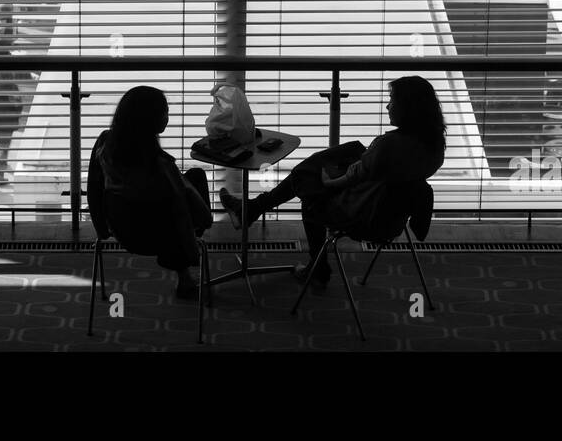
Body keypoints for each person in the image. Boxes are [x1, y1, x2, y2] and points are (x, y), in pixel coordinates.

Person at [218, 75, 446, 289]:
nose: (388, 107)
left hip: (362, 212)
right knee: (335, 159)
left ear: (408, 108)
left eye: (392, 101)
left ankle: (317, 269)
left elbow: (353, 176)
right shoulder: (434, 147)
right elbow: (376, 172)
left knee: (307, 189)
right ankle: (251, 209)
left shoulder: (389, 146)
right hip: (390, 217)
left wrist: (329, 182)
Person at [87, 86, 213, 300]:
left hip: (123, 230)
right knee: (194, 179)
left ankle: (184, 274)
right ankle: (185, 273)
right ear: (150, 120)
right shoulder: (161, 166)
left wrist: (101, 228)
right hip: (160, 237)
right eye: (164, 113)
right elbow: (203, 218)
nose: (167, 118)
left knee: (166, 206)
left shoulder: (105, 144)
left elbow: (94, 188)